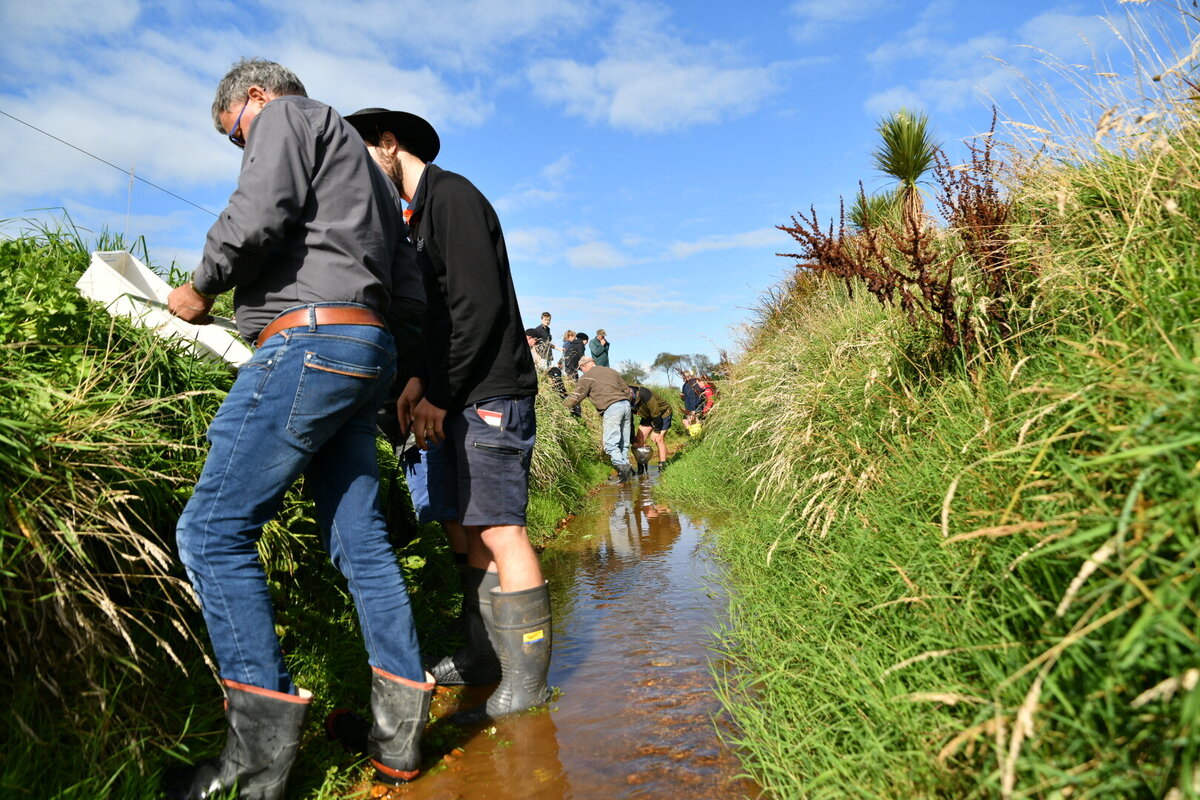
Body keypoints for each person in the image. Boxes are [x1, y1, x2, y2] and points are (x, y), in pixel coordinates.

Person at [163, 59, 431, 799]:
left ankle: (256, 769)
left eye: (234, 134)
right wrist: (392, 368)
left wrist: (199, 286)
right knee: (360, 542)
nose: (240, 148)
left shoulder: (289, 117)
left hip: (309, 344)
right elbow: (407, 289)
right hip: (365, 353)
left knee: (211, 531)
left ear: (254, 97)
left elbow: (257, 213)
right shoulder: (376, 181)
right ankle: (400, 739)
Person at [344, 106, 551, 724]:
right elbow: (430, 320)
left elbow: (478, 307)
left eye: (360, 154)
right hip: (452, 395)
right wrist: (415, 380)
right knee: (462, 526)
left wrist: (440, 390)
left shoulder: (453, 198)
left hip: (489, 392)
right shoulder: (410, 222)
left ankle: (530, 682)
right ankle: (485, 656)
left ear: (388, 144)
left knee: (499, 528)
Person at [563, 356, 633, 482]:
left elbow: (576, 397)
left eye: (581, 369)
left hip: (612, 408)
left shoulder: (587, 377)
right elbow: (627, 390)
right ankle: (626, 471)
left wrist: (560, 407)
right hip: (626, 405)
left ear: (584, 366)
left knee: (610, 443)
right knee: (623, 442)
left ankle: (622, 468)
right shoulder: (611, 371)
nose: (582, 372)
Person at [630, 384, 672, 469]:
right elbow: (630, 422)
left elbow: (656, 412)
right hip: (647, 416)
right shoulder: (623, 400)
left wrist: (657, 430)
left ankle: (662, 466)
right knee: (638, 441)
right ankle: (642, 467)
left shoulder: (644, 393)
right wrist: (632, 439)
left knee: (659, 439)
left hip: (663, 414)